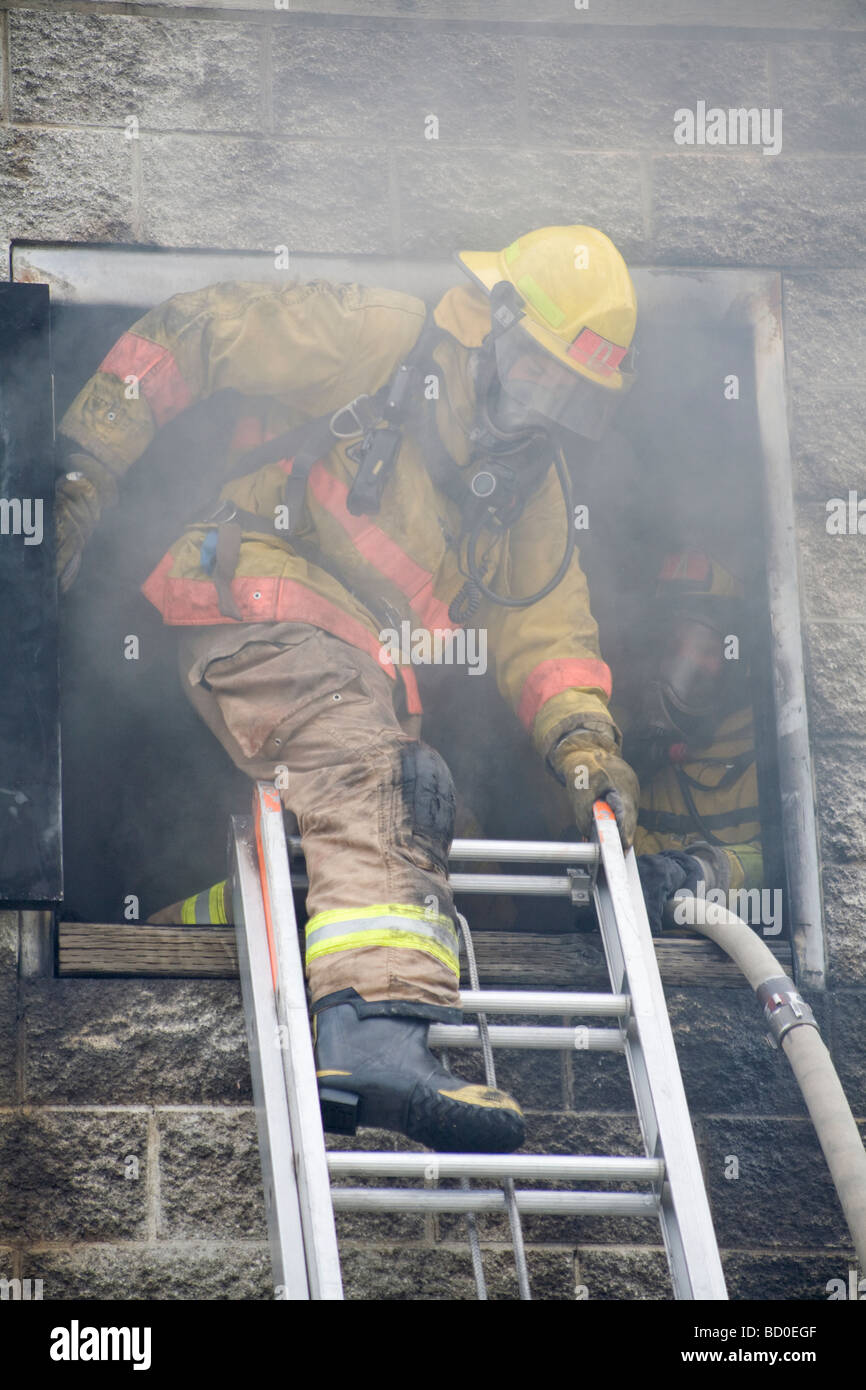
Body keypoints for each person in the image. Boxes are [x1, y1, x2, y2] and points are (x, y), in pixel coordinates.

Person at [55, 224, 640, 1153]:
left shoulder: (529, 486)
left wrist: (585, 748)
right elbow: (197, 330)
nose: (541, 405)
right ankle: (373, 1041)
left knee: (430, 833)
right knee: (386, 785)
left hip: (362, 669)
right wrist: (84, 465)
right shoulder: (380, 338)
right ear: (492, 322)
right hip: (260, 597)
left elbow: (550, 636)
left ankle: (280, 975)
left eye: (571, 394)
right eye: (537, 370)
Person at [627, 551, 763, 935]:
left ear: (738, 659)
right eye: (673, 648)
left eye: (704, 650)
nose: (683, 669)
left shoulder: (765, 761)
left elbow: (784, 869)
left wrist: (700, 871)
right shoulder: (634, 756)